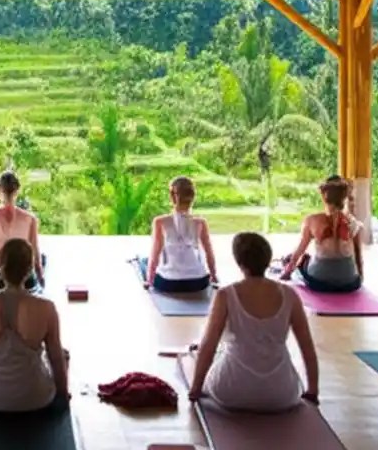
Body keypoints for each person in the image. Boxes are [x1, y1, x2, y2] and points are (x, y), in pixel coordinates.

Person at [189, 232, 319, 412]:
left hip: (231, 391)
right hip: (281, 394)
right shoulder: (290, 295)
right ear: (267, 259)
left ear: (239, 262)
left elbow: (208, 346)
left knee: (216, 351)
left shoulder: (226, 295)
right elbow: (307, 347)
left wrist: (195, 389)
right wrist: (313, 391)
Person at [0, 238, 68, 414]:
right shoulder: (47, 308)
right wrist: (62, 395)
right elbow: (56, 357)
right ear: (30, 269)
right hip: (37, 398)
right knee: (64, 355)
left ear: (0, 266)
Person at [280, 178, 363, 292]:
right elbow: (358, 252)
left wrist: (287, 273)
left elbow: (300, 251)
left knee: (302, 259)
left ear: (324, 197)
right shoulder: (352, 221)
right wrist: (360, 277)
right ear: (343, 198)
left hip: (320, 281)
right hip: (349, 282)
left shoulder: (311, 220)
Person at [143, 177, 218, 293]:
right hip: (198, 283)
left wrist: (149, 281)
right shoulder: (201, 223)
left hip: (168, 283)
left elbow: (155, 255)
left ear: (172, 196)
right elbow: (209, 253)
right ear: (193, 197)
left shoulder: (160, 222)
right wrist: (213, 276)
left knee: (144, 262)